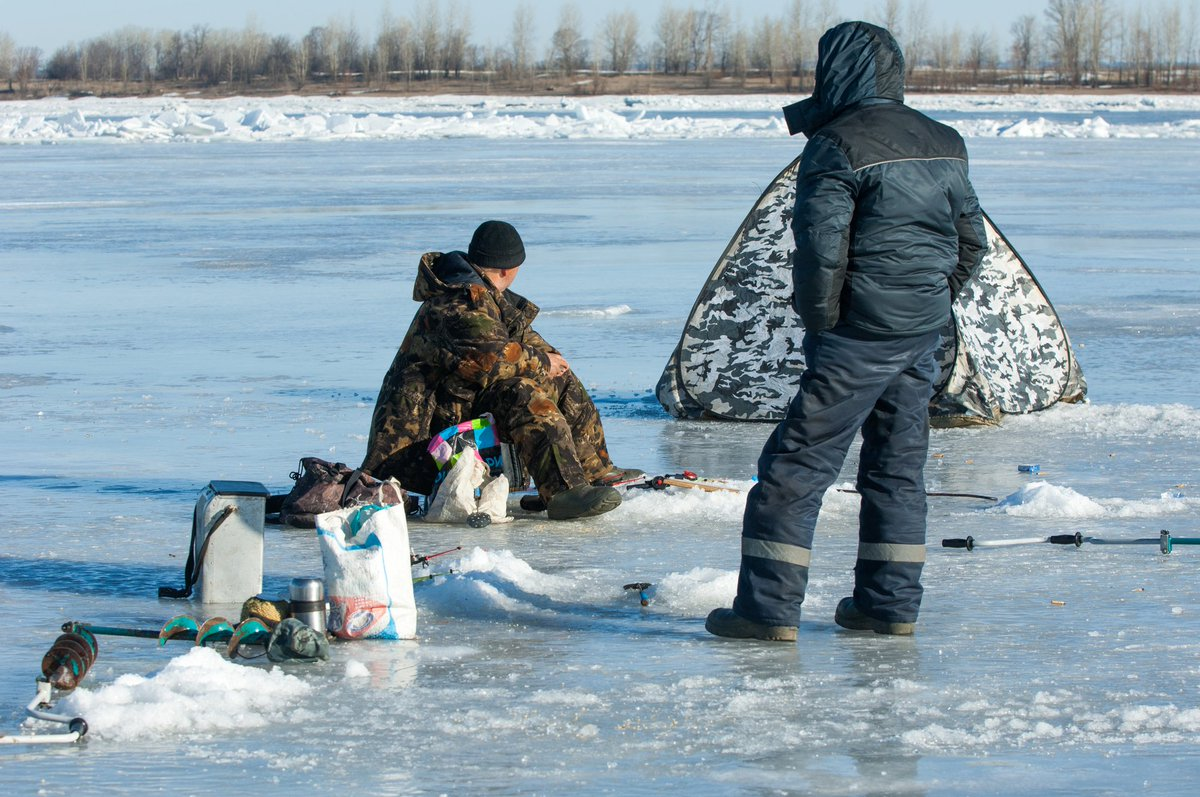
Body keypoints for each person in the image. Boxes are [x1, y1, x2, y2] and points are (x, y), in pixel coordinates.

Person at [706, 21, 987, 640]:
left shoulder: (835, 143)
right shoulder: (944, 140)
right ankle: (888, 607)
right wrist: (933, 300)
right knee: (897, 470)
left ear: (833, 72)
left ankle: (765, 611)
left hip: (858, 336)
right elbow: (972, 244)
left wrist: (825, 325)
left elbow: (820, 250)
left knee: (793, 468)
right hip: (921, 332)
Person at [361, 220, 641, 521]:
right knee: (522, 393)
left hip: (453, 419)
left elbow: (520, 342)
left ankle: (593, 470)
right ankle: (563, 492)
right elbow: (491, 360)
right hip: (417, 453)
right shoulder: (458, 302)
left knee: (559, 382)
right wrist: (543, 362)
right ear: (509, 269)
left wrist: (549, 360)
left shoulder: (488, 299)